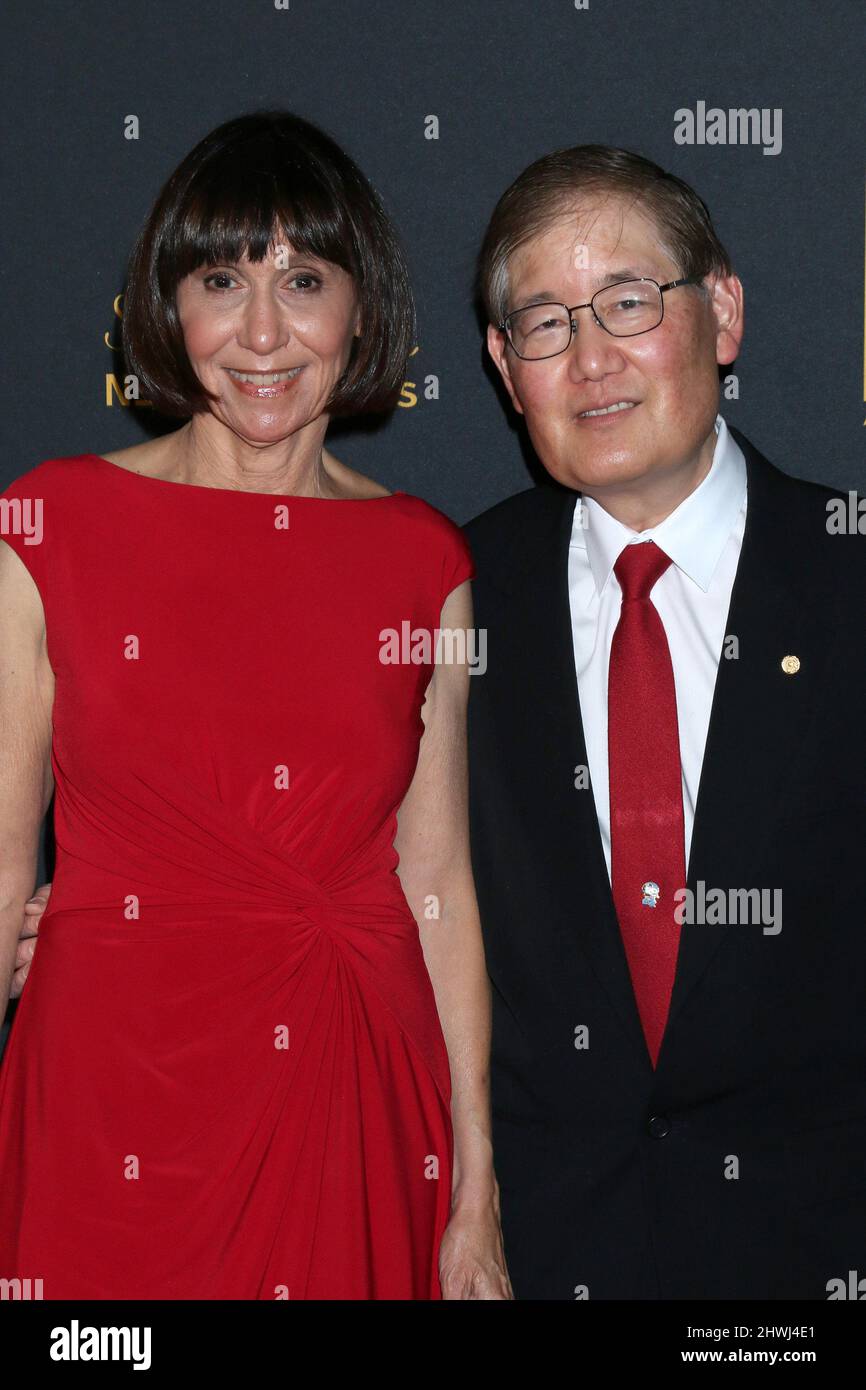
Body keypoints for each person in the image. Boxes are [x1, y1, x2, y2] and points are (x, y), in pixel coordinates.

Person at [0, 110, 511, 1300]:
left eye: (305, 278)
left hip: (347, 1084)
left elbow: (436, 882)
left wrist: (474, 1193)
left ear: (361, 309)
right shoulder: (47, 527)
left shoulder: (423, 560)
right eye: (222, 278)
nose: (264, 329)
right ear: (167, 310)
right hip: (107, 1088)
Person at [461, 145, 865, 1299]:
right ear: (501, 366)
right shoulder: (448, 596)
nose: (590, 360)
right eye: (543, 323)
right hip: (543, 1254)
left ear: (721, 313)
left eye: (628, 303)